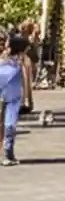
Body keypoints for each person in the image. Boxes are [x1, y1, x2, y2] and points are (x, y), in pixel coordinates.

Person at [0, 33, 29, 165]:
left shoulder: (5, 61)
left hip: (8, 96)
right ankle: (7, 154)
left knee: (6, 126)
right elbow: (25, 82)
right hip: (13, 97)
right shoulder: (19, 64)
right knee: (9, 125)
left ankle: (7, 154)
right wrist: (26, 99)